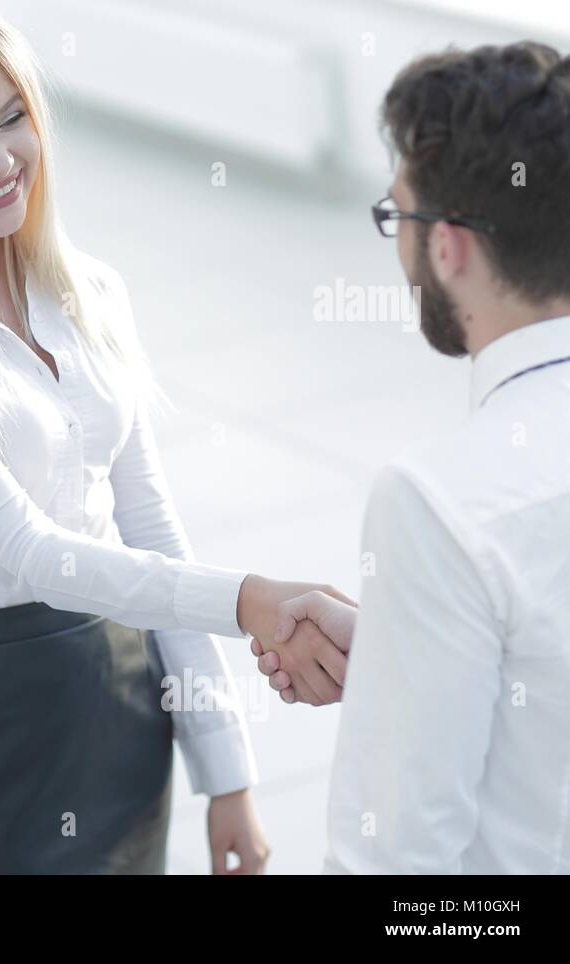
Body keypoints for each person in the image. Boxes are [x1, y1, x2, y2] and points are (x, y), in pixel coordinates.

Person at [0, 0, 351, 874]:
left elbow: (147, 523)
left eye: (12, 118)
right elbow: (29, 552)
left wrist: (228, 775)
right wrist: (253, 599)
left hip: (121, 684)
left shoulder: (89, 290)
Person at [251, 42, 570, 873]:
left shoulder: (439, 503)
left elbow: (395, 867)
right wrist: (410, 648)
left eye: (400, 217)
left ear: (450, 246)